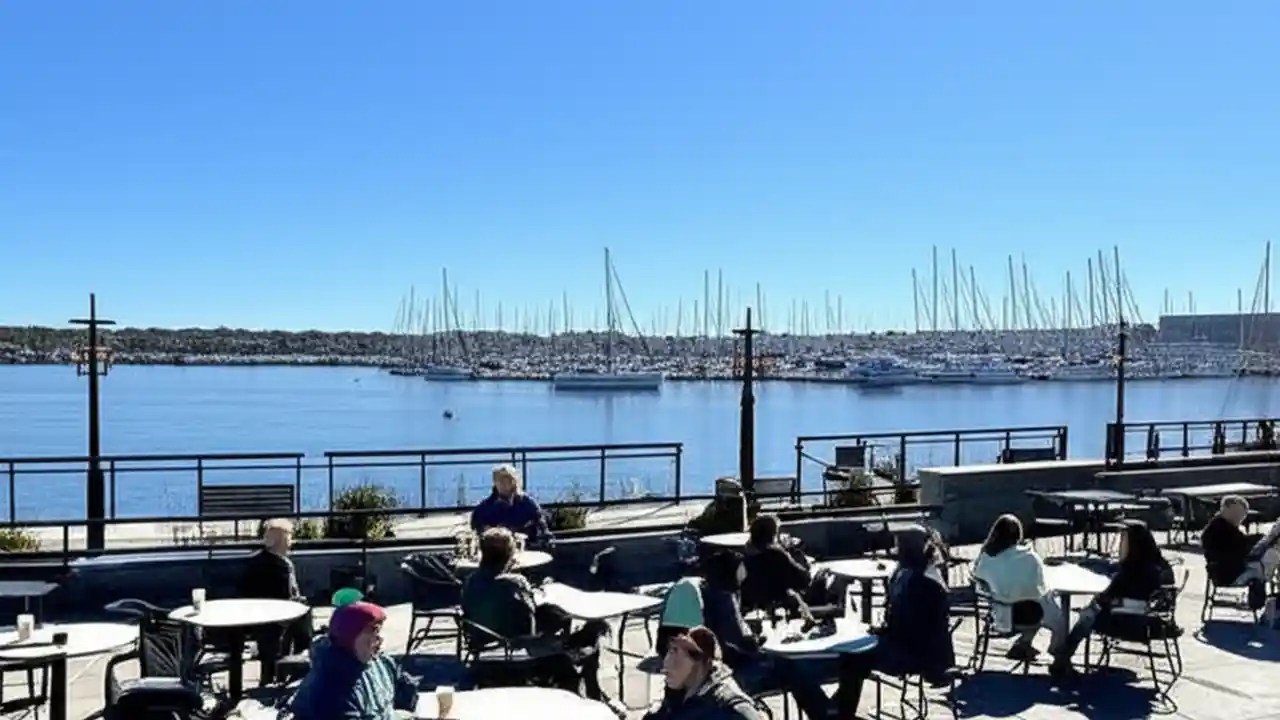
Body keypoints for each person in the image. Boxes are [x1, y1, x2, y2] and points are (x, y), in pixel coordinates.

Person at [697, 550, 852, 719]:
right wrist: (764, 641)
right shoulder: (724, 599)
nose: (745, 572)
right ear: (731, 571)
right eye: (741, 568)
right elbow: (741, 641)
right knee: (792, 666)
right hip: (741, 669)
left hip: (729, 664)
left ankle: (825, 711)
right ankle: (824, 713)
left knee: (794, 669)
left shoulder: (714, 593)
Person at [460, 527, 610, 701]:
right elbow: (529, 624)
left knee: (562, 621)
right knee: (589, 629)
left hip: (482, 646)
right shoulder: (514, 582)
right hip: (519, 653)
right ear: (509, 555)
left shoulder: (470, 582)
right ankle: (590, 693)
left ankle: (584, 667)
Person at [839, 525, 956, 713]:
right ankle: (839, 710)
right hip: (906, 643)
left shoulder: (924, 582)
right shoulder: (906, 572)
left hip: (918, 655)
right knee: (852, 651)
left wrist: (883, 635)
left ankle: (839, 712)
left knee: (854, 656)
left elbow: (916, 629)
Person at [1049, 520, 1175, 679]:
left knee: (1088, 614)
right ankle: (1062, 657)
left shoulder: (1131, 571)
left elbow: (1107, 596)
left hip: (1127, 624)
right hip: (1154, 622)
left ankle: (1062, 658)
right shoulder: (1158, 565)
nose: (1120, 545)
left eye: (1123, 541)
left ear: (1133, 545)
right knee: (1090, 611)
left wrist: (1097, 602)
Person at [290, 601, 418, 720]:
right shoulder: (329, 684)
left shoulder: (381, 663)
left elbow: (406, 688)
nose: (379, 639)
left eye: (379, 631)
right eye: (373, 631)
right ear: (350, 636)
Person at [972, 514, 1066, 661]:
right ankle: (1057, 654)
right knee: (1053, 610)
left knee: (1035, 604)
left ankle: (1023, 645)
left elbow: (978, 578)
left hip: (998, 614)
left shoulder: (986, 557)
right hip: (1026, 616)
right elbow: (1040, 588)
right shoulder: (1029, 557)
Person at [238, 518, 312, 684]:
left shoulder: (254, 562)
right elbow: (288, 597)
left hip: (256, 617)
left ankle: (273, 676)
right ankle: (299, 666)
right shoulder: (283, 565)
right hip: (278, 618)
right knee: (304, 621)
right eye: (288, 538)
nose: (291, 543)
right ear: (281, 541)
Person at [642, 626, 762, 720]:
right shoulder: (679, 696)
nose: (666, 663)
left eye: (675, 651)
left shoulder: (731, 710)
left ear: (699, 659)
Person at [741, 514, 845, 617]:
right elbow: (803, 580)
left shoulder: (747, 553)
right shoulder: (776, 555)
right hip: (783, 601)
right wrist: (795, 557)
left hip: (758, 600)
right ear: (772, 534)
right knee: (827, 577)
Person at [1202, 496, 1279, 592]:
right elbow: (1239, 549)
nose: (1239, 518)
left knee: (1271, 556)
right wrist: (1259, 542)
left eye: (1242, 515)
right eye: (1237, 513)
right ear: (1225, 509)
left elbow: (1241, 543)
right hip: (1229, 576)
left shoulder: (1224, 526)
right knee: (1272, 556)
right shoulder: (1218, 529)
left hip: (1232, 571)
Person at [470, 464, 552, 545]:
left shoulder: (527, 503)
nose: (504, 483)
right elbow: (476, 527)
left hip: (525, 546)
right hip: (496, 550)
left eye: (508, 479)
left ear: (514, 481)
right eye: (500, 480)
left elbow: (541, 524)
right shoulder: (485, 507)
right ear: (495, 482)